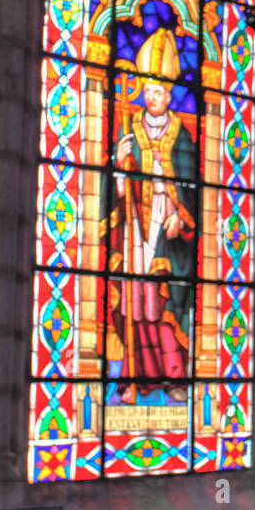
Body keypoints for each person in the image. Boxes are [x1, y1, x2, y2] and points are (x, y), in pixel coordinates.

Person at [110, 28, 198, 401]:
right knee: (136, 301)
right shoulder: (129, 129)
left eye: (159, 91)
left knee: (164, 303)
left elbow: (193, 182)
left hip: (168, 227)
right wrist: (118, 165)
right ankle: (136, 380)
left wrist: (182, 217)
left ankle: (175, 378)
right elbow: (115, 182)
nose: (152, 97)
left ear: (170, 94)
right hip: (135, 227)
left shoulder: (181, 135)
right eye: (147, 91)